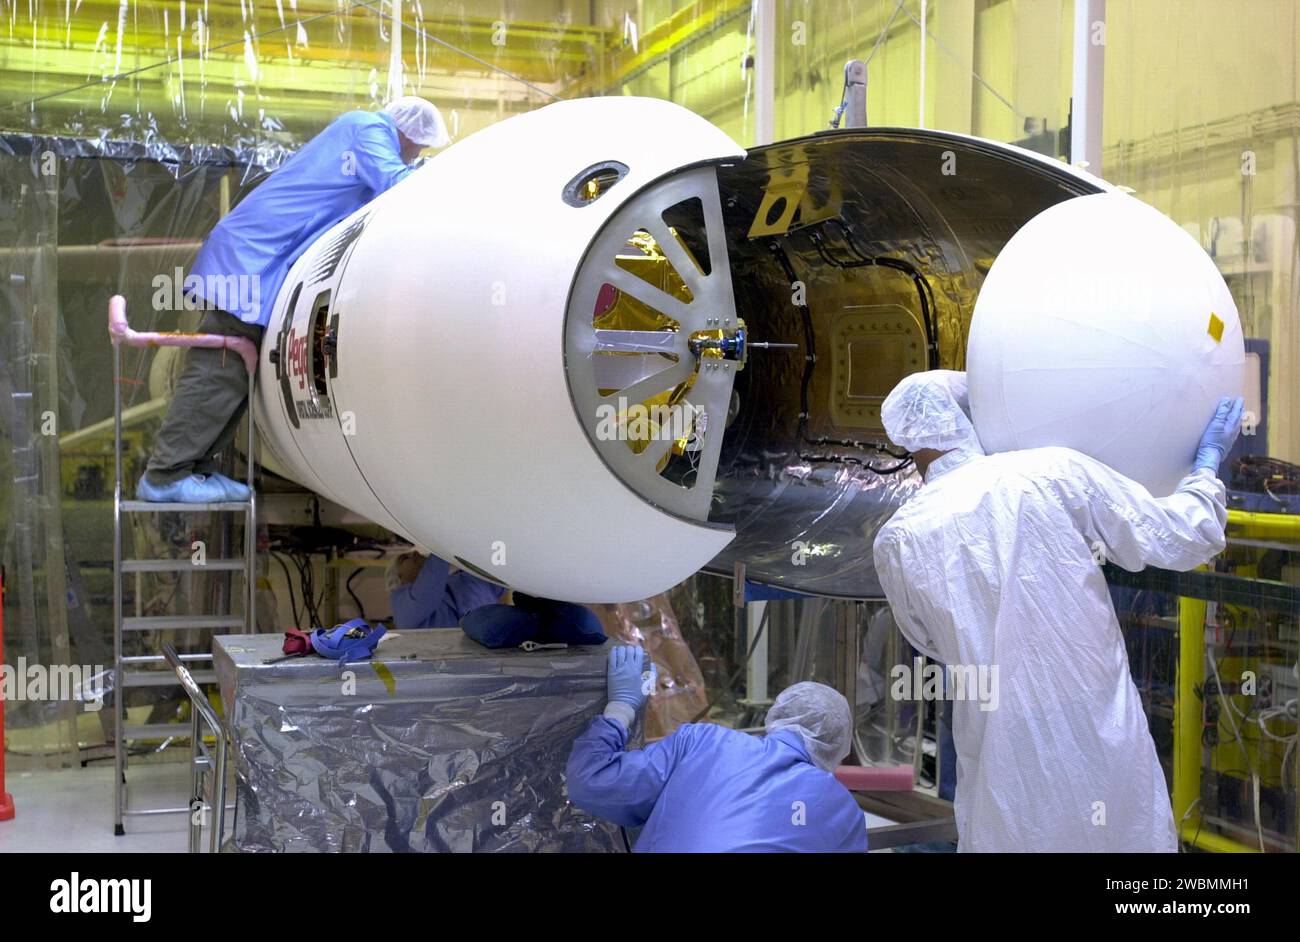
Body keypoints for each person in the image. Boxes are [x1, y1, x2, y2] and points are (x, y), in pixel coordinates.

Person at [871, 369, 1242, 852]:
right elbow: (1183, 537)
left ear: (909, 442)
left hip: (1000, 739)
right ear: (972, 415)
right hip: (1093, 726)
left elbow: (929, 641)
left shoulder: (898, 540)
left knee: (1012, 829)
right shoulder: (1049, 472)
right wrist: (1206, 468)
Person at [138, 97, 449, 503]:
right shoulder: (368, 129)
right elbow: (396, 184)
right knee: (220, 365)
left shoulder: (362, 135)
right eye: (421, 147)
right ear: (409, 132)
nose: (417, 154)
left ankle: (192, 468)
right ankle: (164, 475)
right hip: (250, 256)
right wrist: (446, 175)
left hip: (261, 258)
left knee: (234, 368)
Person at [567, 645, 867, 852]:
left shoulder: (702, 742)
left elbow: (591, 782)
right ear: (836, 750)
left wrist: (621, 706)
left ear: (776, 716)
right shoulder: (842, 809)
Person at [387, 552, 505, 628]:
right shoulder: (401, 605)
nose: (415, 553)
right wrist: (443, 542)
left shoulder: (461, 580)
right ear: (399, 577)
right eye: (405, 558)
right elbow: (428, 589)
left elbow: (501, 575)